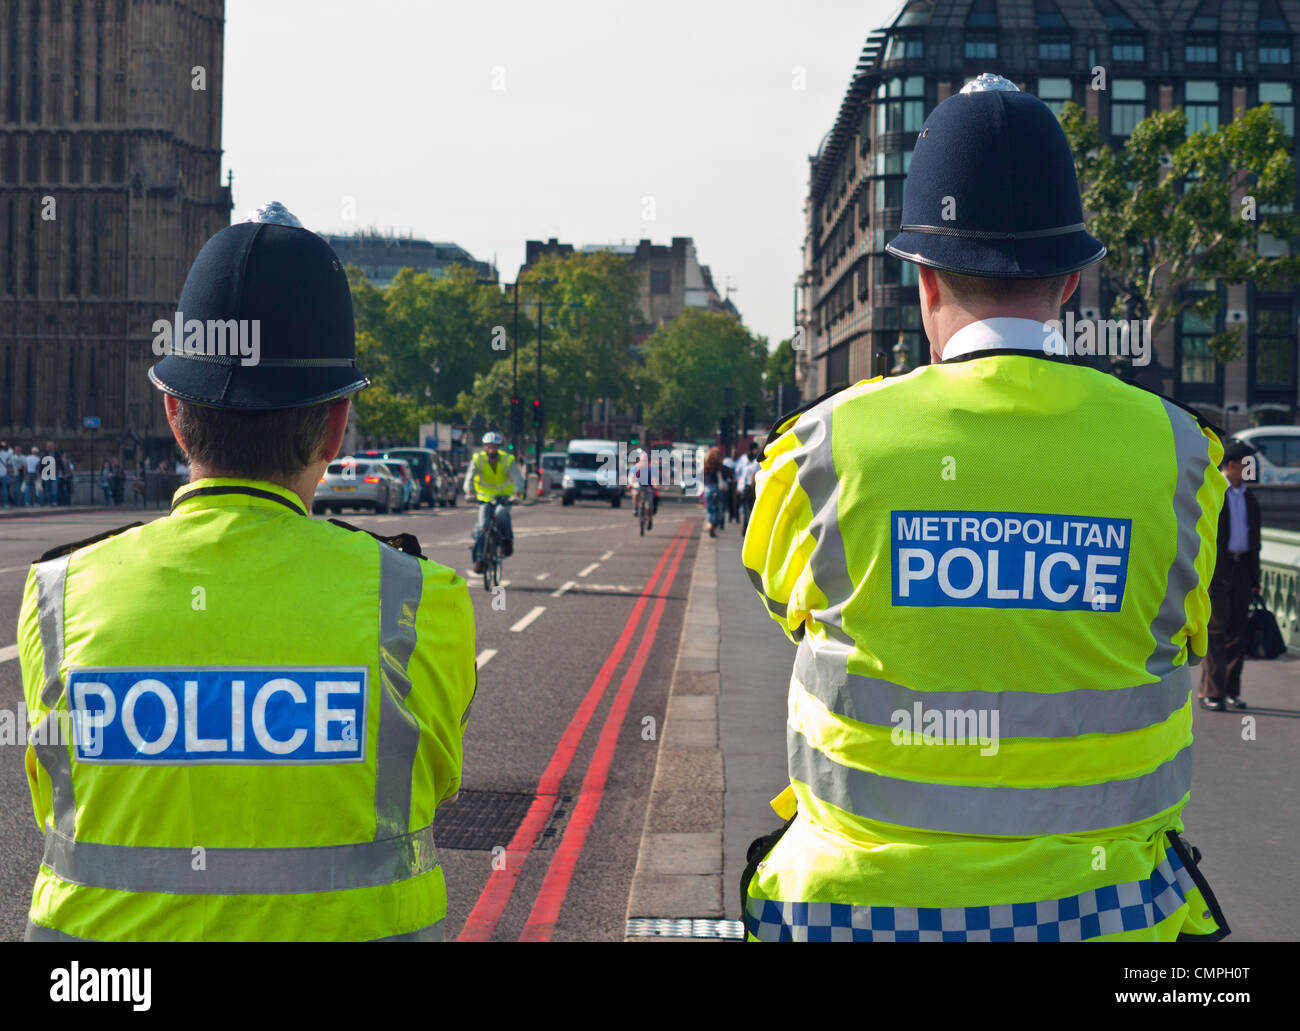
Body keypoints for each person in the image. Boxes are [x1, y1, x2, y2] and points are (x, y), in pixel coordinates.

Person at [741, 75, 1229, 942]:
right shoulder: (1183, 458)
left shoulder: (817, 452)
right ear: (1072, 280)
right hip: (1106, 916)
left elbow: (792, 611)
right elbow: (1189, 636)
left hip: (854, 912)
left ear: (924, 277)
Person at [18, 202, 476, 942]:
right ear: (334, 426)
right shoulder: (420, 598)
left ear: (174, 411)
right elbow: (435, 781)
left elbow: (57, 806)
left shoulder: (56, 597)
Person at [1199, 440, 1262, 712]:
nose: (1252, 467)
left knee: (1238, 633)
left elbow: (1254, 540)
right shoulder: (1215, 492)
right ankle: (1212, 691)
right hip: (1218, 573)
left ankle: (1231, 692)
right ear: (1233, 464)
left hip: (1243, 572)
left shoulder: (1249, 497)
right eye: (1248, 462)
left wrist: (1255, 581)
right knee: (1215, 632)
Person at [464, 431, 524, 573]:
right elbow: (469, 478)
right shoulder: (477, 459)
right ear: (485, 447)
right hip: (484, 497)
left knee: (501, 513)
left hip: (504, 497)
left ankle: (507, 541)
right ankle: (479, 559)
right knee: (482, 526)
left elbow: (517, 478)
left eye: (495, 447)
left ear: (499, 447)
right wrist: (469, 492)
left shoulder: (507, 459)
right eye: (489, 447)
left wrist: (516, 494)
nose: (492, 450)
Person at [734, 442, 761, 533]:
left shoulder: (751, 462)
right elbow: (741, 474)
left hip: (749, 488)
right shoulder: (756, 462)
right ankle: (746, 529)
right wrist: (740, 488)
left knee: (748, 510)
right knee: (748, 510)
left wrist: (740, 488)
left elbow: (740, 473)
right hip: (751, 488)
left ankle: (746, 529)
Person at [699, 446, 726, 538]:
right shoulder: (718, 464)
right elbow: (723, 476)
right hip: (716, 490)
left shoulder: (705, 463)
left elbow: (700, 476)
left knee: (710, 510)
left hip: (706, 490)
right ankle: (713, 527)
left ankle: (710, 525)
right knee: (718, 510)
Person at [0, 440, 12, 508]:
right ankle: (5, 504)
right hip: (3, 474)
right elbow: (11, 451)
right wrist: (7, 446)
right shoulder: (5, 454)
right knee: (4, 490)